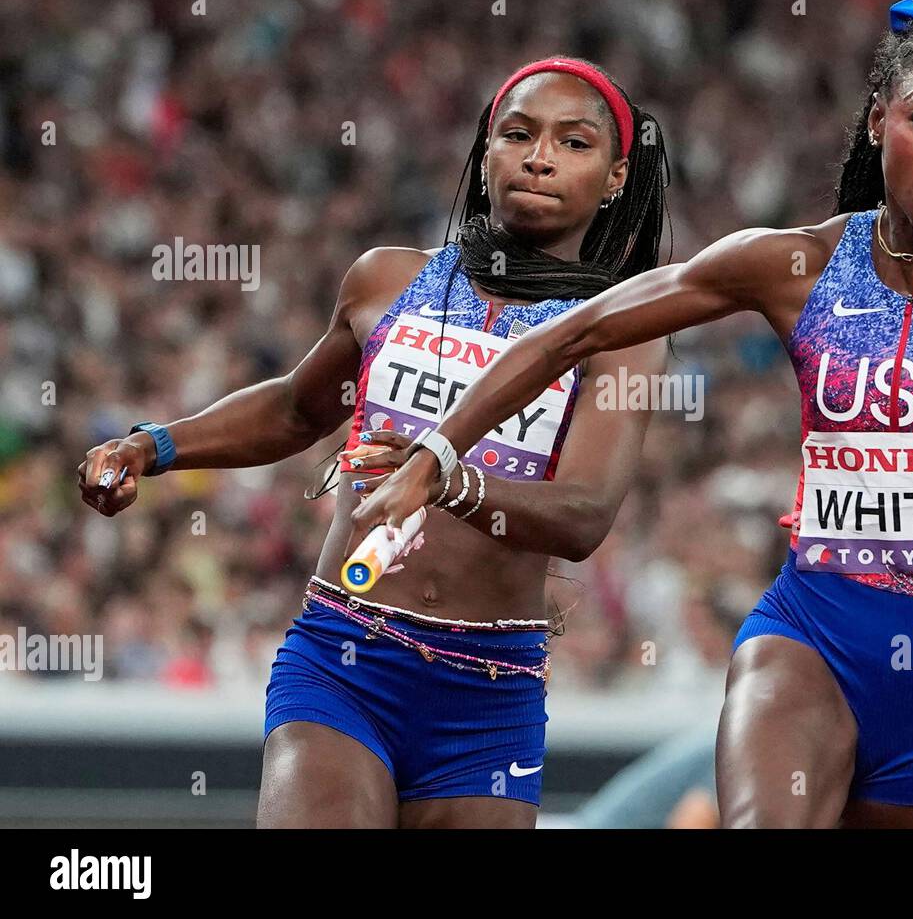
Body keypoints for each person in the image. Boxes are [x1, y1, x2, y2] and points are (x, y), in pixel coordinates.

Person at [352, 0, 913, 828]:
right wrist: (437, 454)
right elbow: (577, 330)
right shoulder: (794, 264)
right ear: (878, 119)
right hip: (812, 627)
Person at [75, 56, 671, 828]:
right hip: (344, 657)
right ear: (485, 150)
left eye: (573, 142)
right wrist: (153, 444)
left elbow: (585, 515)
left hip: (489, 687)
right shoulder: (387, 280)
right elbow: (295, 409)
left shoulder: (623, 338)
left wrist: (441, 476)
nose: (538, 156)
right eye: (516, 133)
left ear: (617, 176)